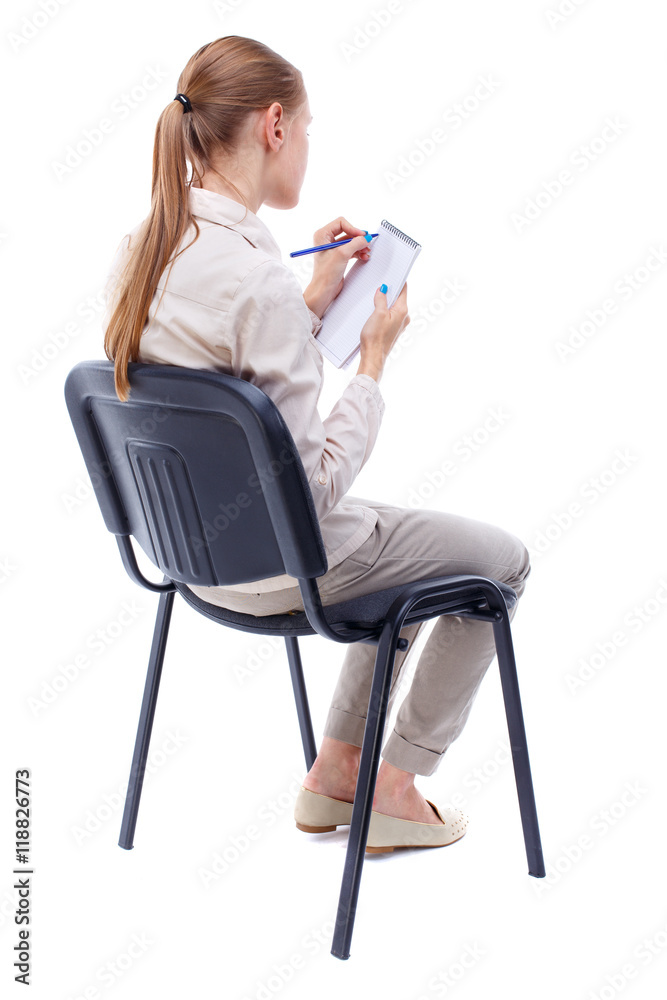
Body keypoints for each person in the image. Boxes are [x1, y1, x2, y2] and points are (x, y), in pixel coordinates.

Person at [102, 35, 531, 853]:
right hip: (282, 571)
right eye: (305, 127)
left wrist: (311, 300)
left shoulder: (141, 247)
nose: (305, 142)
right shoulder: (253, 278)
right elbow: (313, 489)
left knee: (402, 545)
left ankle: (335, 772)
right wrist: (371, 362)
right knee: (499, 565)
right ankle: (394, 785)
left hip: (186, 562)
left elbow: (220, 382)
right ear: (273, 126)